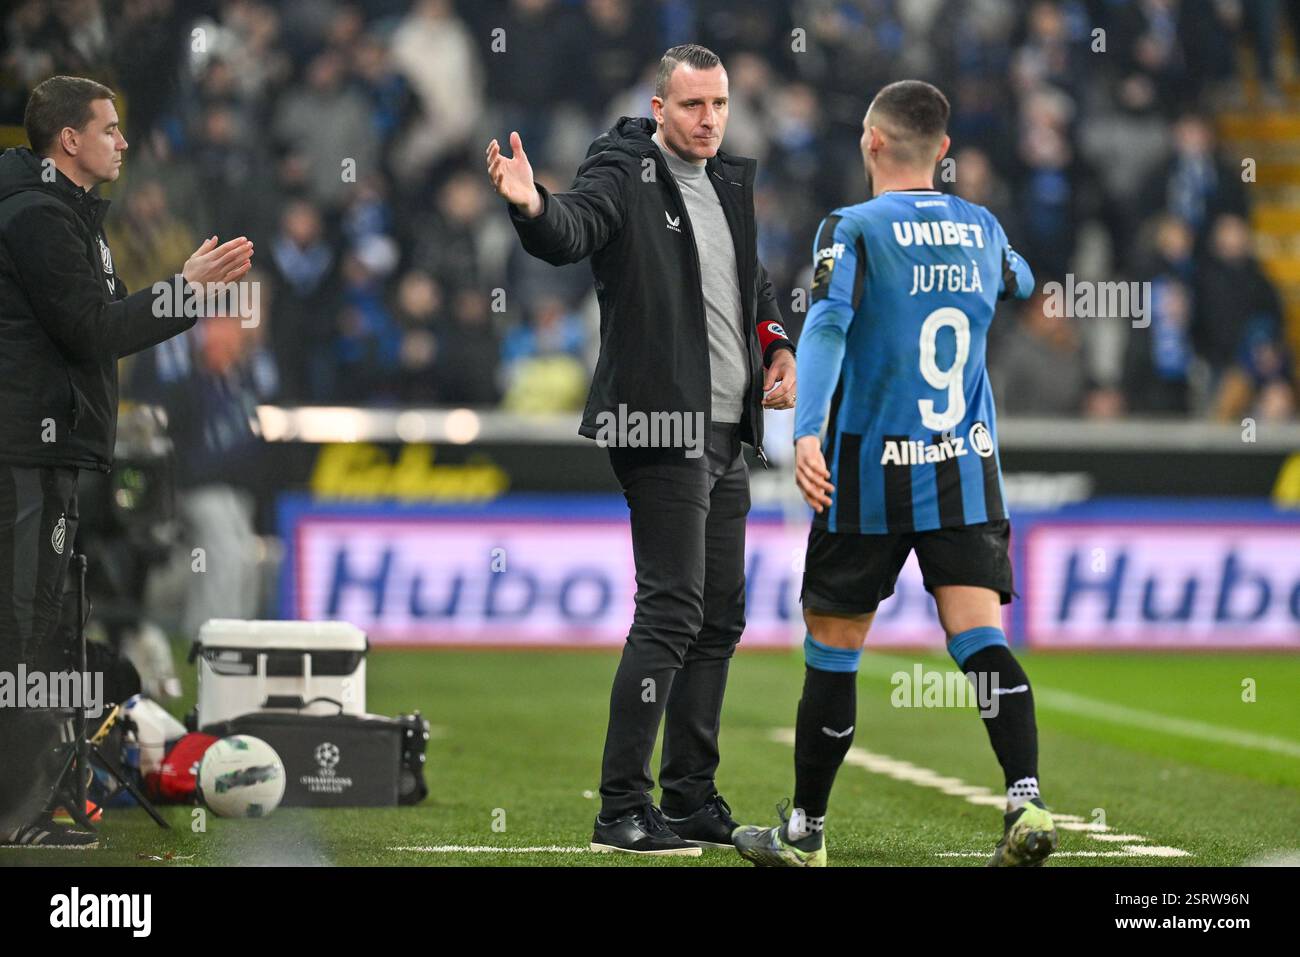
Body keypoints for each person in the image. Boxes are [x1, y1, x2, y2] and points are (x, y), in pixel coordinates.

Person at [733, 80, 1055, 867]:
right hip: (964, 470)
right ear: (943, 152)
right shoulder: (981, 226)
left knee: (835, 649)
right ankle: (1027, 799)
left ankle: (804, 832)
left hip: (867, 470)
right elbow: (1019, 278)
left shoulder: (851, 229)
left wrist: (804, 433)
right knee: (980, 638)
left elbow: (830, 323)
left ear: (871, 142)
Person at [486, 43, 796, 856]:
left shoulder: (729, 182)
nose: (709, 121)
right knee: (672, 609)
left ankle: (690, 795)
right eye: (693, 106)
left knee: (718, 616)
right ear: (658, 107)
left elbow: (751, 283)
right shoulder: (624, 170)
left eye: (720, 105)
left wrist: (777, 343)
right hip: (659, 426)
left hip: (729, 430)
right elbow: (571, 229)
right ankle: (621, 806)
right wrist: (530, 205)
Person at [0, 75, 253, 848]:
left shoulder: (69, 215)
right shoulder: (41, 216)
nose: (123, 139)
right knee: (22, 632)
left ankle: (31, 800)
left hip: (50, 450)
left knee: (45, 626)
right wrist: (184, 292)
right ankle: (13, 811)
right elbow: (89, 330)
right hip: (26, 453)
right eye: (108, 128)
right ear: (67, 140)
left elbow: (92, 326)